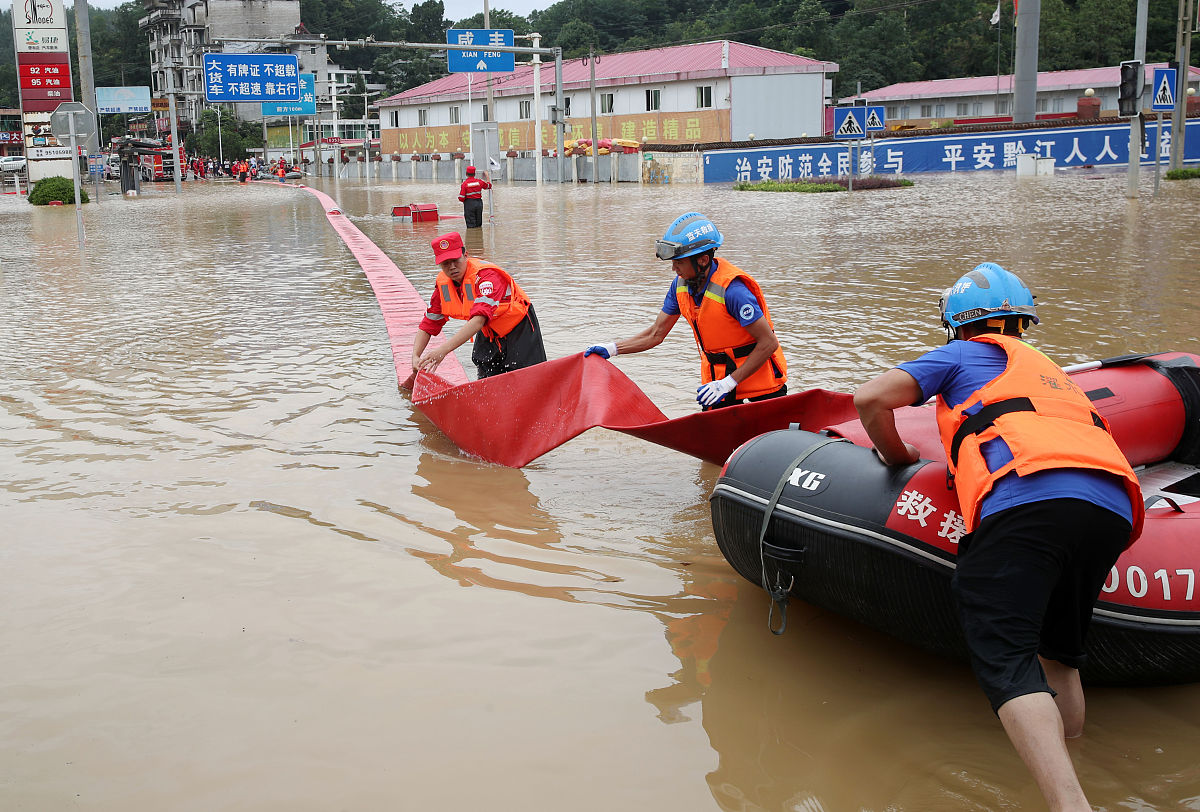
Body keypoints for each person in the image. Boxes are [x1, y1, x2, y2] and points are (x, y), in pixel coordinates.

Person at [852, 262, 1144, 812]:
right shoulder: (1053, 373)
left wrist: (899, 456)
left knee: (1007, 654)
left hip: (1030, 499)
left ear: (959, 324)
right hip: (1113, 509)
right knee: (1060, 654)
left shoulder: (961, 353)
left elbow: (870, 398)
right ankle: (1073, 766)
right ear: (1022, 323)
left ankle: (1068, 804)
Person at [583, 212, 787, 410]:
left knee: (769, 442)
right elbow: (656, 333)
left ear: (703, 260)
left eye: (678, 262)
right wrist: (612, 349)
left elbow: (768, 343)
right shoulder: (680, 286)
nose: (674, 269)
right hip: (718, 384)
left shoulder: (734, 292)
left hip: (759, 386)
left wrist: (728, 383)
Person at [412, 232, 547, 379]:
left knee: (529, 376)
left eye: (455, 260)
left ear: (465, 255)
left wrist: (443, 350)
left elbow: (479, 319)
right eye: (445, 263)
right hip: (489, 330)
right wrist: (415, 356)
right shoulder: (443, 286)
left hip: (519, 327)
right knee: (485, 372)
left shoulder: (487, 276)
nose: (452, 267)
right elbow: (430, 322)